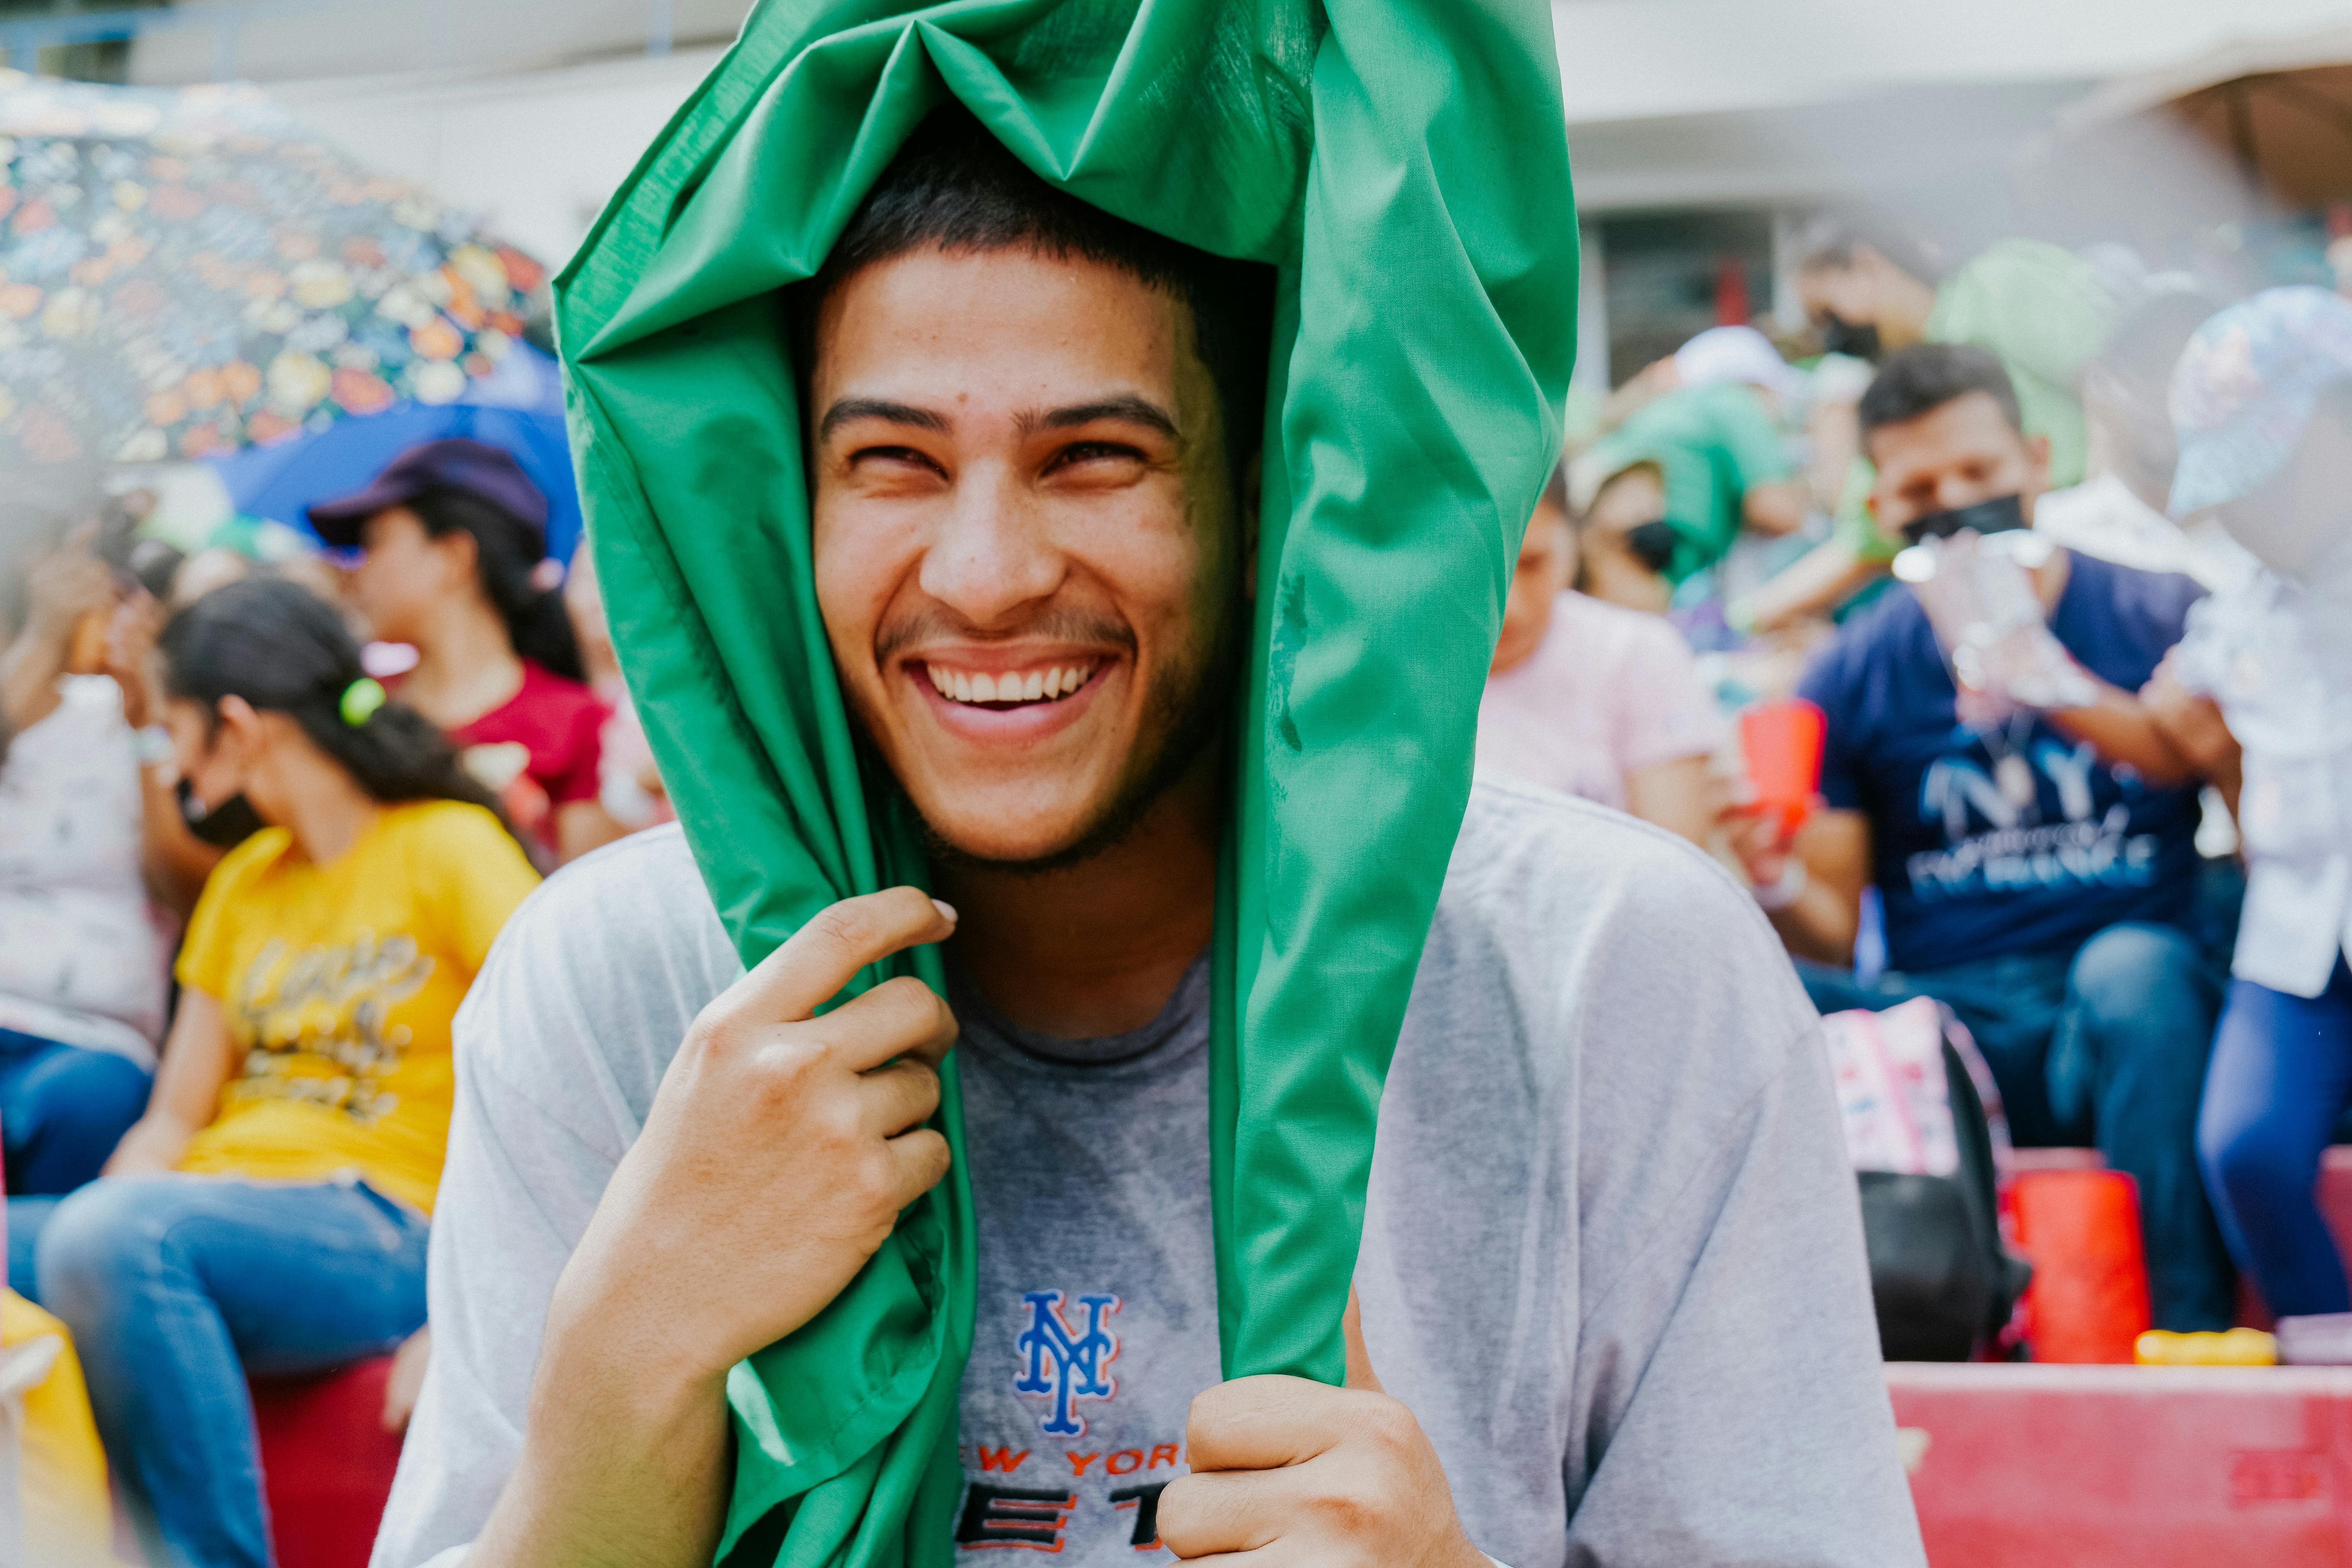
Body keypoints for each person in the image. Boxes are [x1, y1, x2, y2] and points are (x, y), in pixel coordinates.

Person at [374, 98, 1918, 1568]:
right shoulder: (631, 986)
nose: (981, 574)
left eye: (1092, 459)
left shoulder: (1610, 971)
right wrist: (631, 1351)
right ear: (790, 522)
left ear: (1258, 508)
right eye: (894, 465)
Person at [7, 577, 540, 1568]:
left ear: (237, 726)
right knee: (52, 1237)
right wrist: (94, 1231)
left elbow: (559, 1070)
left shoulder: (447, 847)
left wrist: (492, 1304)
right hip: (206, 1209)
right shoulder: (245, 884)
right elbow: (170, 1122)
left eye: (171, 729)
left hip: (384, 1215)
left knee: (117, 1233)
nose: (163, 757)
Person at [1746, 343, 2236, 1332]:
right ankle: (1851, 1338)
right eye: (1922, 484)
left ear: (2037, 460)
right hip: (1952, 1032)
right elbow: (1831, 934)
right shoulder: (1856, 666)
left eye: (1980, 471)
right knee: (1739, 971)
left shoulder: (2155, 611)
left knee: (2135, 970)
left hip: (2121, 1019)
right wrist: (1770, 875)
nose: (1958, 501)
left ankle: (2183, 1333)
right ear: (1881, 505)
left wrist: (2040, 666)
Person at [2147, 289, 2352, 1324]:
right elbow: (2168, 727)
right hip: (2300, 943)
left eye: (2264, 477)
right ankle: (2334, 1383)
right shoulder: (2242, 610)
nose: (2245, 512)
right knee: (2247, 1149)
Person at [1754, 227, 2121, 633]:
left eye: (1827, 312)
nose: (1831, 336)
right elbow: (1860, 539)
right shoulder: (1904, 392)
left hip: (2099, 560)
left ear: (1867, 266)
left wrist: (2102, 514)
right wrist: (1751, 618)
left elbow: (2112, 379)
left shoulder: (1996, 287)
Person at [0, 497, 211, 1198]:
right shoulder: (17, 695)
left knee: (81, 1101)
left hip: (95, 1038)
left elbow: (188, 893)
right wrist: (42, 638)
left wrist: (146, 720)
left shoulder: (142, 723)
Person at [312, 439, 621, 866]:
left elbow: (585, 909)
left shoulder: (580, 728)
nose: (357, 570)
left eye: (375, 542)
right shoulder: (358, 711)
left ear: (454, 557)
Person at [1477, 468, 1725, 844]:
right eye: (1481, 575)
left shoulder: (1638, 653)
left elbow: (1672, 864)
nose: (1512, 607)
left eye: (1533, 563)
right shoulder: (1386, 669)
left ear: (1574, 541)